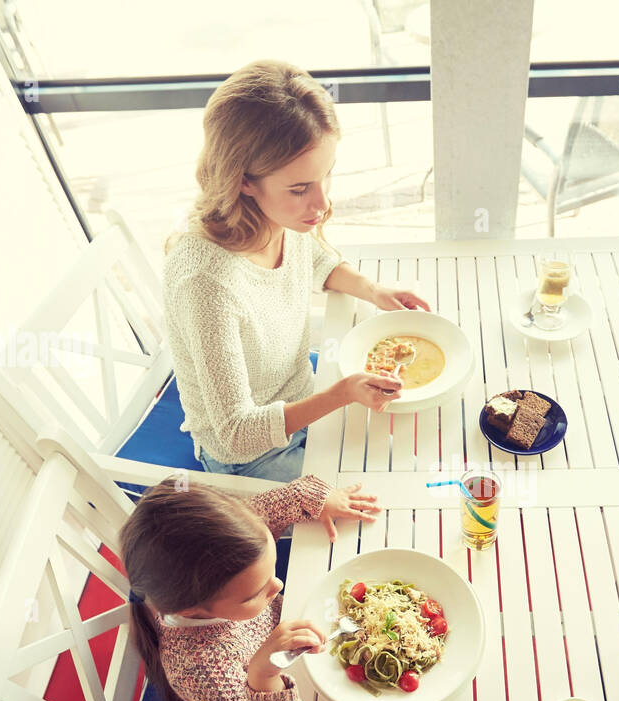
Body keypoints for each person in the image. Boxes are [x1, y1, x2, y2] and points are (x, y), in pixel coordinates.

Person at [164, 59, 430, 482]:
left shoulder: (279, 215)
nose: (321, 204)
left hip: (304, 393)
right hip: (249, 459)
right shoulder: (205, 283)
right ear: (244, 181)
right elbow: (235, 434)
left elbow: (313, 260)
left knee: (414, 446)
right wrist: (340, 394)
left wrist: (372, 289)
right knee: (384, 487)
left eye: (326, 176)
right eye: (300, 188)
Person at [119, 472, 379, 701]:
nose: (278, 583)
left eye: (272, 570)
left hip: (285, 648)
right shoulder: (200, 669)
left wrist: (321, 499)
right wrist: (261, 675)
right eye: (256, 592)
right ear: (193, 609)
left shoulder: (232, 538)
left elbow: (289, 496)